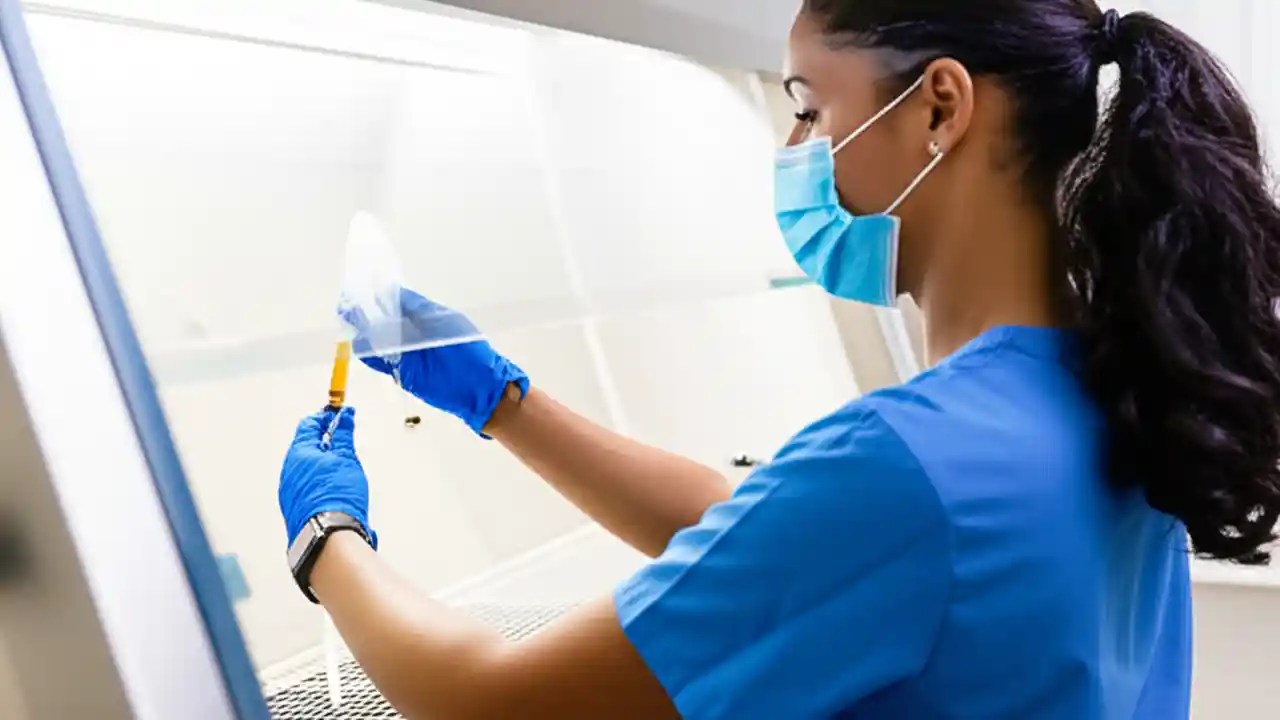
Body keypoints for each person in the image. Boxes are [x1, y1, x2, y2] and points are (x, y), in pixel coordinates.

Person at [275, 2, 1280, 718]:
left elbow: (484, 706)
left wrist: (326, 536)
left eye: (806, 105)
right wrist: (501, 401)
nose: (794, 142)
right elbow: (771, 532)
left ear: (938, 106)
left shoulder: (906, 461)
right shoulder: (1093, 392)